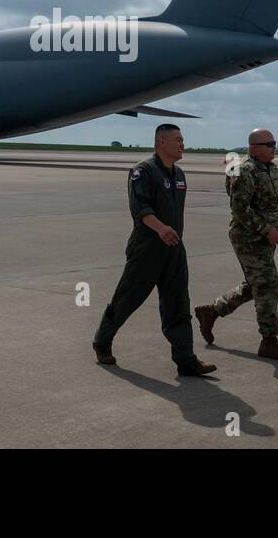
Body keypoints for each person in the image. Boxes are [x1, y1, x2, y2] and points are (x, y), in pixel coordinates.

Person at [92, 124, 216, 377]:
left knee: (178, 305)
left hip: (174, 249)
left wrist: (171, 235)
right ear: (162, 142)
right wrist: (160, 229)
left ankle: (186, 361)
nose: (182, 144)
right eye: (178, 140)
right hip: (147, 248)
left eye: (183, 140)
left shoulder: (179, 174)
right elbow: (140, 207)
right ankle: (102, 342)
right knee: (126, 299)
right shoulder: (143, 171)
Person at [195, 128, 278, 362]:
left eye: (275, 143)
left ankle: (212, 311)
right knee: (267, 285)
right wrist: (267, 229)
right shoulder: (245, 171)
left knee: (254, 284)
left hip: (265, 238)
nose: (274, 147)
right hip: (248, 237)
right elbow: (239, 209)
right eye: (270, 144)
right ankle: (269, 341)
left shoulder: (273, 169)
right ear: (254, 148)